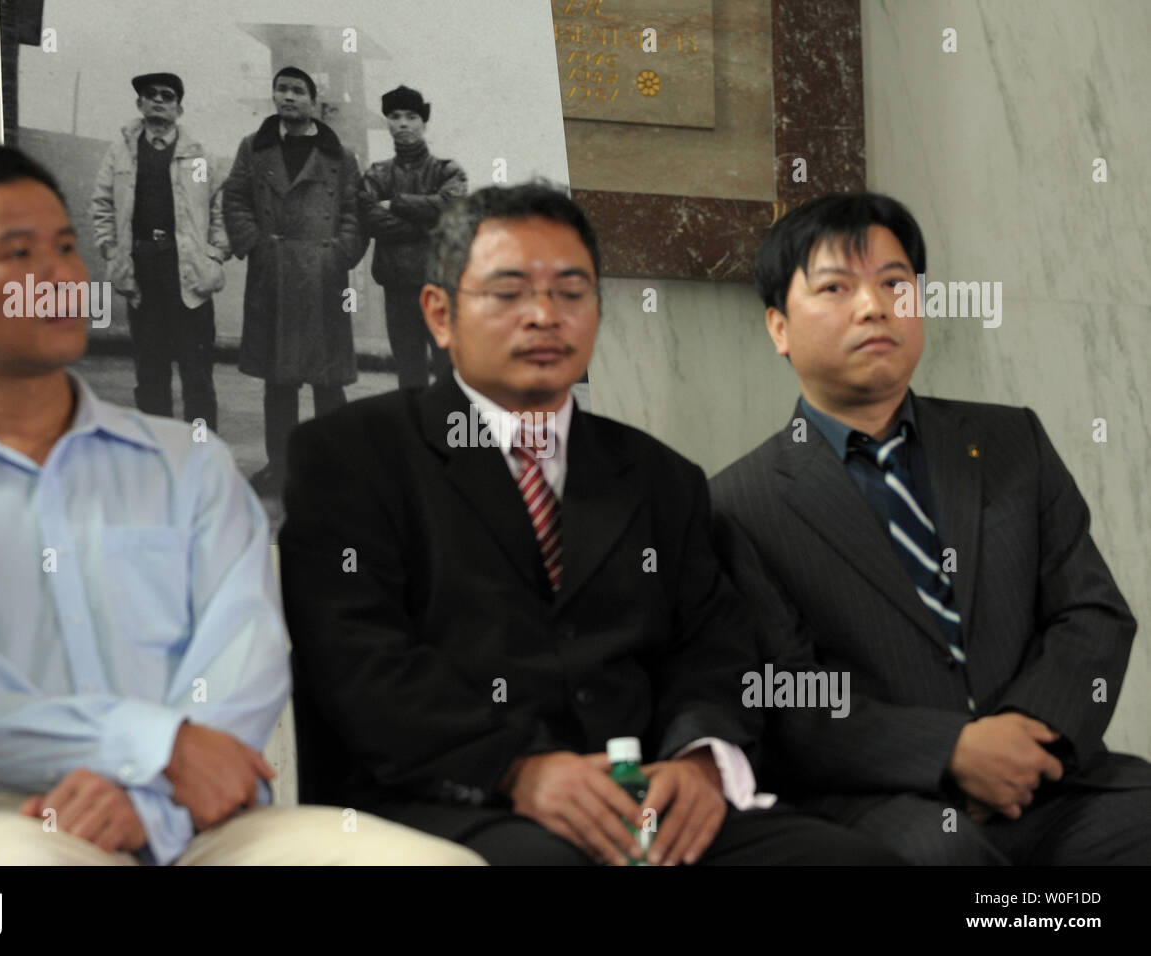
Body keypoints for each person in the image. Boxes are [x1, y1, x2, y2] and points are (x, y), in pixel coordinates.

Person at [0, 143, 481, 865]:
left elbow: (245, 654)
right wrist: (157, 747)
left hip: (206, 809)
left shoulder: (189, 466)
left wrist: (156, 793)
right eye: (19, 253)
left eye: (65, 246)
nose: (60, 276)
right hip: (2, 808)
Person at [279, 182, 901, 866]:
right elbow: (358, 661)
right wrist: (520, 768)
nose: (545, 316)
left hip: (640, 803)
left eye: (572, 292)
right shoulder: (350, 456)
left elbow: (711, 648)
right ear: (440, 314)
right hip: (444, 802)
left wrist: (698, 759)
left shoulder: (662, 476)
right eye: (508, 292)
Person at [708, 191, 1151, 864]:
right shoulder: (737, 504)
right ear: (779, 328)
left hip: (1051, 779)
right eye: (835, 286)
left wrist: (1027, 738)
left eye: (894, 283)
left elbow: (1092, 614)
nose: (874, 306)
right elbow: (784, 694)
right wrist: (953, 752)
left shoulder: (1010, 441)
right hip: (880, 803)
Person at [223, 66, 367, 498]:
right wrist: (256, 245)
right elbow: (234, 198)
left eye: (297, 91)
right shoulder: (253, 148)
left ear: (313, 99)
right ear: (274, 96)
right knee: (278, 380)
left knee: (328, 382)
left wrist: (339, 253)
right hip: (275, 274)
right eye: (281, 89)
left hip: (323, 276)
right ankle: (280, 467)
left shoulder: (339, 155)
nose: (288, 97)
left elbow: (353, 211)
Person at [90, 72, 228, 430]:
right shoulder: (120, 151)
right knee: (150, 373)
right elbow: (102, 203)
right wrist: (110, 249)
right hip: (142, 273)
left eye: (167, 96)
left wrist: (215, 253)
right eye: (150, 95)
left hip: (187, 275)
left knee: (196, 374)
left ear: (179, 108)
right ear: (139, 104)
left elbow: (220, 207)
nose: (158, 101)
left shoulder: (198, 156)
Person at [358, 85, 467, 389]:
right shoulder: (377, 174)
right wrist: (426, 226)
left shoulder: (448, 171)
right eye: (395, 116)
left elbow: (452, 207)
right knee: (409, 374)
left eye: (411, 116)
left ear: (424, 122)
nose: (403, 123)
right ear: (387, 123)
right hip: (398, 289)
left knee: (450, 372)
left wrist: (396, 203)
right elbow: (370, 219)